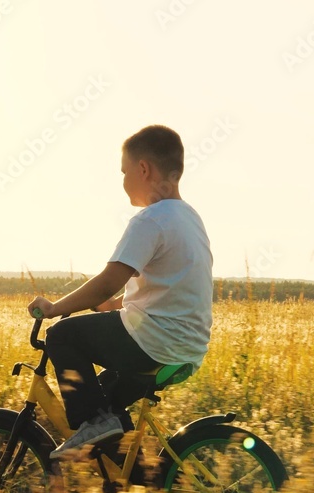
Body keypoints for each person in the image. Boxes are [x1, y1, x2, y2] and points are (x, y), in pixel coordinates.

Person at [27, 124, 213, 461]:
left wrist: (56, 308)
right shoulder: (189, 218)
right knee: (108, 406)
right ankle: (139, 487)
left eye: (125, 171)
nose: (123, 180)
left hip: (155, 342)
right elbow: (161, 291)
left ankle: (91, 423)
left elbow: (110, 278)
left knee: (62, 336)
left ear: (144, 169)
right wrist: (110, 307)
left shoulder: (151, 219)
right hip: (186, 348)